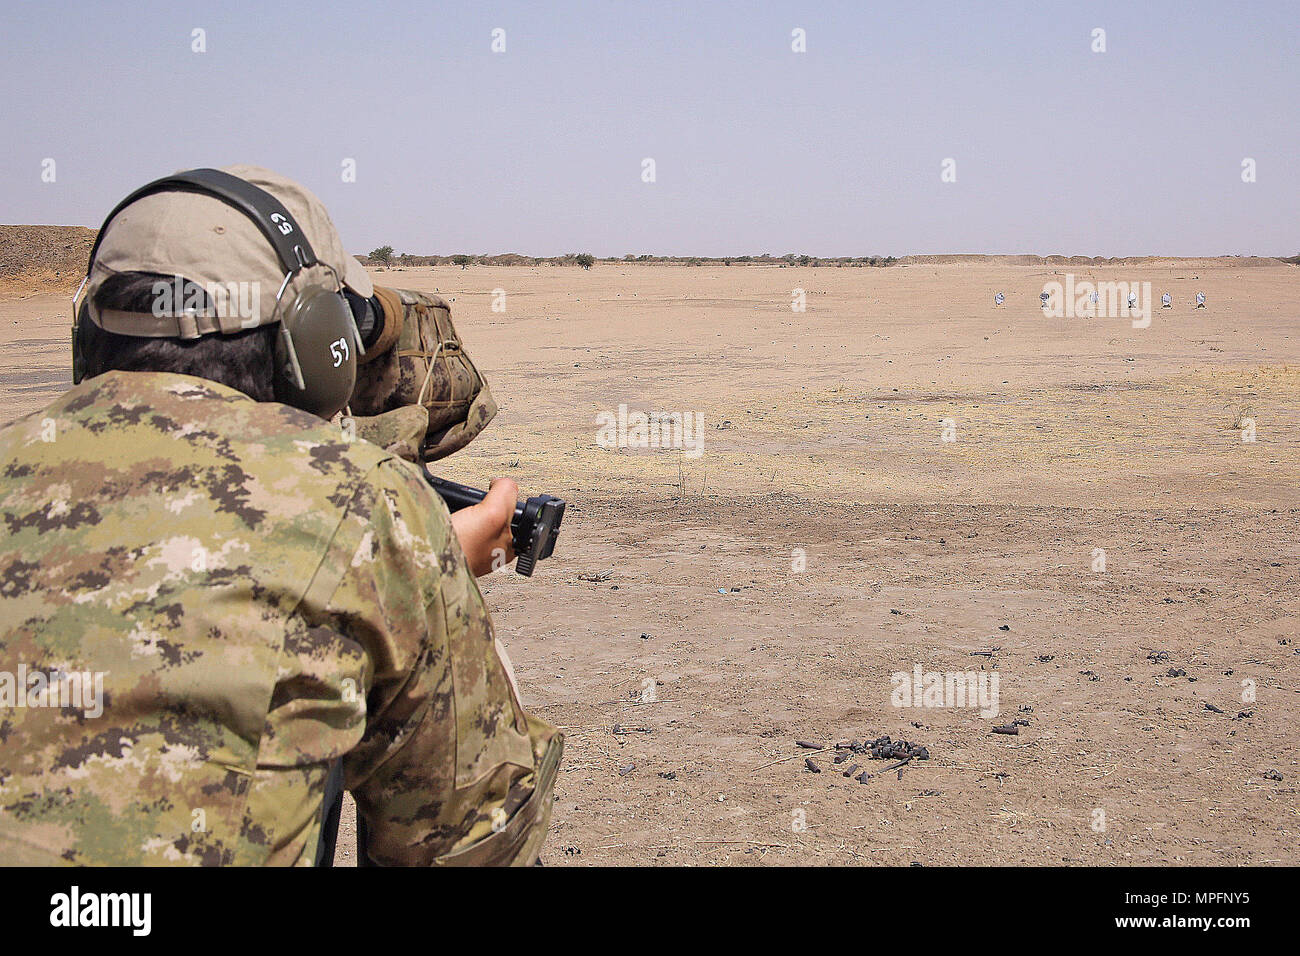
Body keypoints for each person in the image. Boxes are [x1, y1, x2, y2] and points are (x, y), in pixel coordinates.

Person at [0, 165, 561, 866]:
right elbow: (471, 847)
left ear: (87, 335)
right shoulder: (366, 506)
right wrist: (422, 571)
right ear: (313, 343)